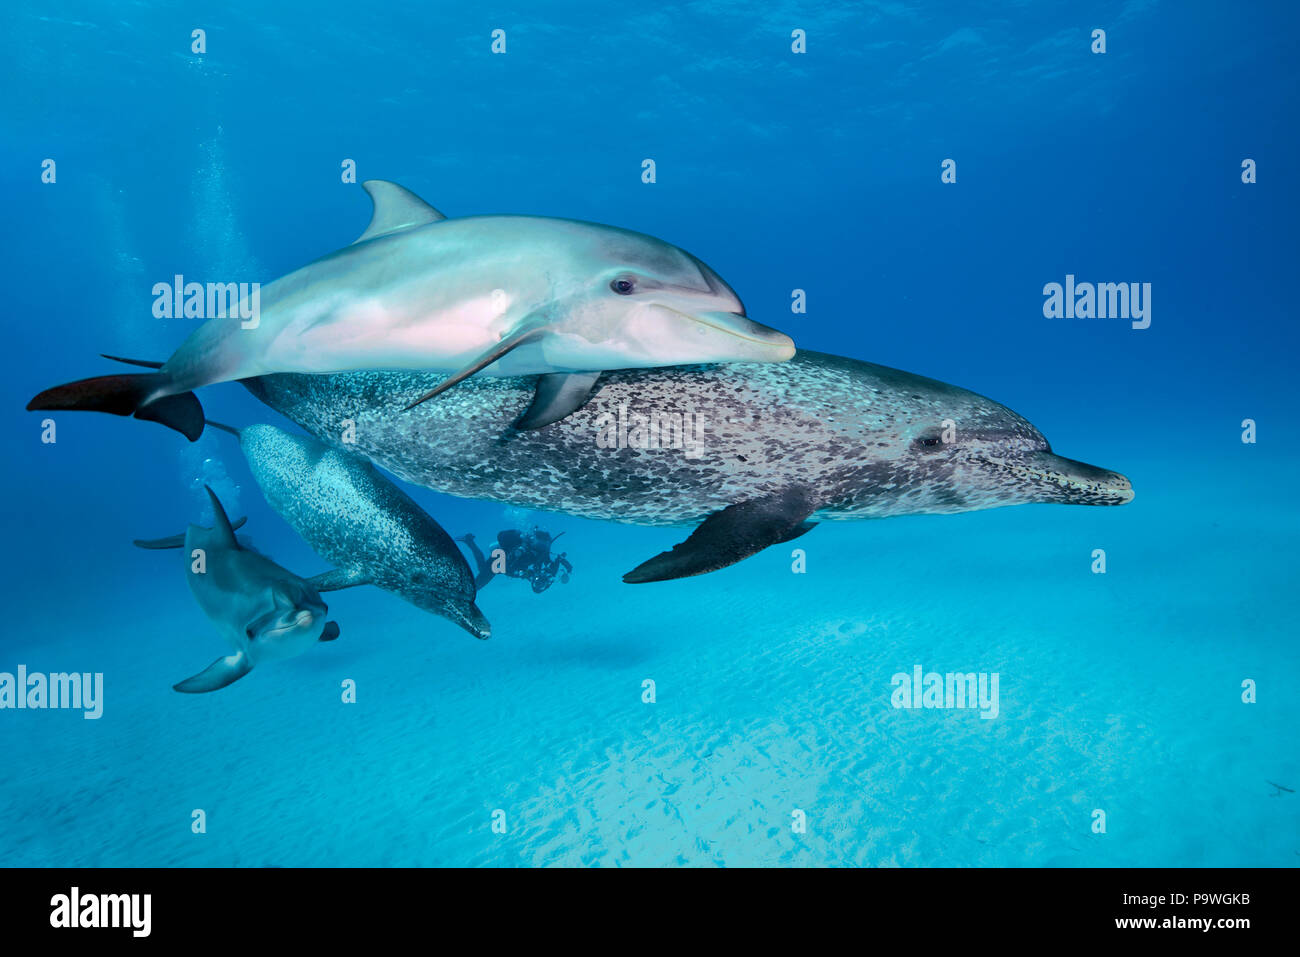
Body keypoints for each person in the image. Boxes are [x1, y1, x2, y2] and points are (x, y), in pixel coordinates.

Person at [457, 527, 572, 593]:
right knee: (478, 580)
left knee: (480, 573)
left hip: (509, 566)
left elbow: (548, 565)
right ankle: (469, 541)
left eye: (545, 545)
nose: (544, 548)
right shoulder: (522, 548)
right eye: (542, 545)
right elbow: (508, 569)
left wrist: (561, 565)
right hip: (500, 559)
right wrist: (523, 573)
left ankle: (469, 541)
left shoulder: (543, 552)